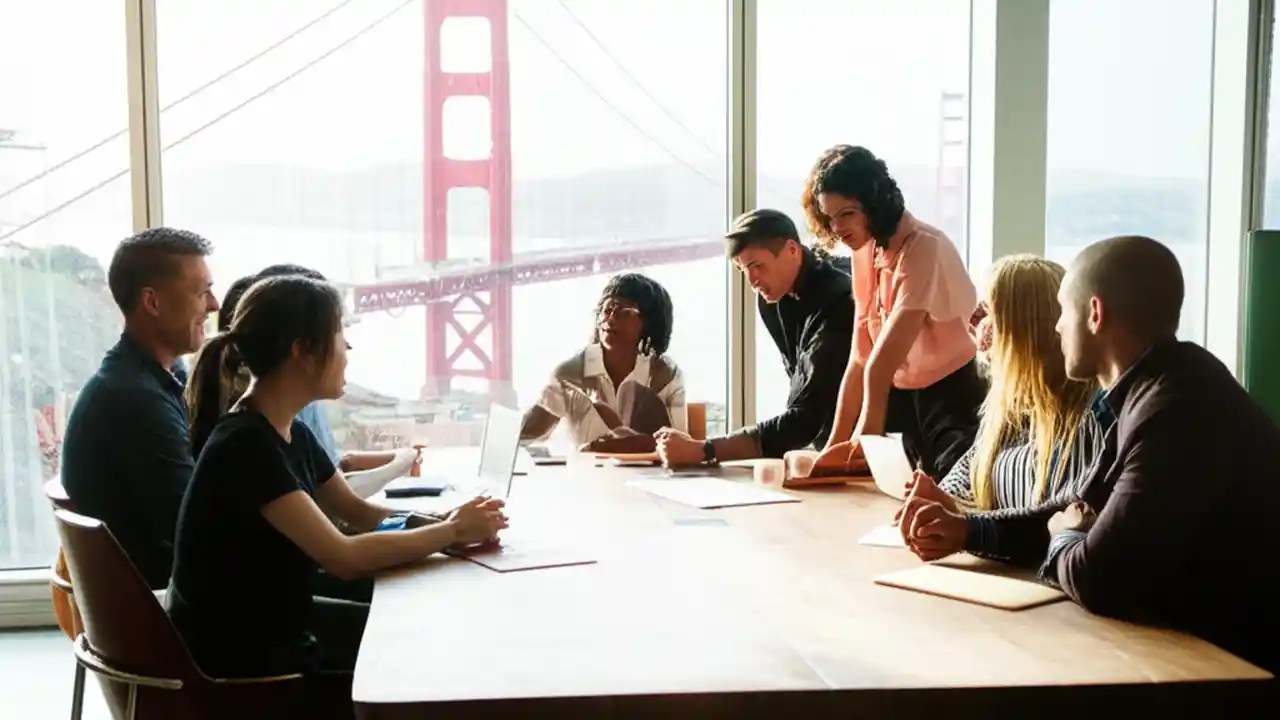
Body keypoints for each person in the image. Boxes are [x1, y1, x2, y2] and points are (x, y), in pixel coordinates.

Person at [899, 236, 1280, 674]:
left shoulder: (1178, 408)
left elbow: (1100, 578)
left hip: (1234, 670)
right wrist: (967, 531)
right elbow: (1074, 511)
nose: (1057, 326)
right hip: (1190, 647)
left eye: (1064, 311)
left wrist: (1064, 536)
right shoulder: (1147, 390)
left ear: (1094, 315)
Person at [169, 275, 507, 695]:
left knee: (423, 632)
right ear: (302, 352)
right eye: (339, 335)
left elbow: (362, 516)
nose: (347, 351)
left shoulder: (285, 430)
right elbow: (343, 555)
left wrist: (441, 523)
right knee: (426, 672)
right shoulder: (246, 446)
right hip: (245, 671)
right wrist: (451, 532)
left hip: (273, 630)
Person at [806, 145, 984, 480]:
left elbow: (882, 362)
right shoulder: (864, 248)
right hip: (905, 395)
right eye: (830, 217)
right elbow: (860, 358)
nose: (838, 227)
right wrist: (832, 448)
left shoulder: (924, 246)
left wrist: (864, 437)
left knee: (948, 495)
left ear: (874, 205)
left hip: (952, 399)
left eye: (847, 214)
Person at [61, 227, 218, 589]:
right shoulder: (135, 402)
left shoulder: (148, 377)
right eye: (202, 292)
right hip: (167, 615)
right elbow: (200, 531)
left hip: (167, 596)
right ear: (153, 302)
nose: (214, 305)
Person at [657, 209, 853, 467]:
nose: (752, 282)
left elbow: (807, 417)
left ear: (792, 250)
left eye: (757, 266)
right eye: (742, 269)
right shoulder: (773, 299)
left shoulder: (838, 300)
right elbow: (802, 398)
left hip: (879, 444)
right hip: (829, 446)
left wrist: (704, 450)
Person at [917, 255, 1104, 512]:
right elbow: (965, 477)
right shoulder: (1007, 407)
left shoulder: (1087, 421)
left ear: (1020, 329)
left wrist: (965, 524)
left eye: (987, 314)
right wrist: (937, 499)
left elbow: (1050, 520)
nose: (978, 327)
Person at [221, 265, 414, 496]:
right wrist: (400, 465)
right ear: (303, 350)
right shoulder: (251, 440)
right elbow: (332, 516)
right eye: (338, 334)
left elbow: (333, 480)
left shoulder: (294, 429)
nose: (347, 346)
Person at [521, 273, 685, 453]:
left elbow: (680, 447)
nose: (611, 318)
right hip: (586, 479)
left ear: (650, 323)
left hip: (651, 480)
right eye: (607, 309)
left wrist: (607, 446)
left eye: (623, 312)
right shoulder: (571, 373)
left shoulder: (665, 376)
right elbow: (526, 434)